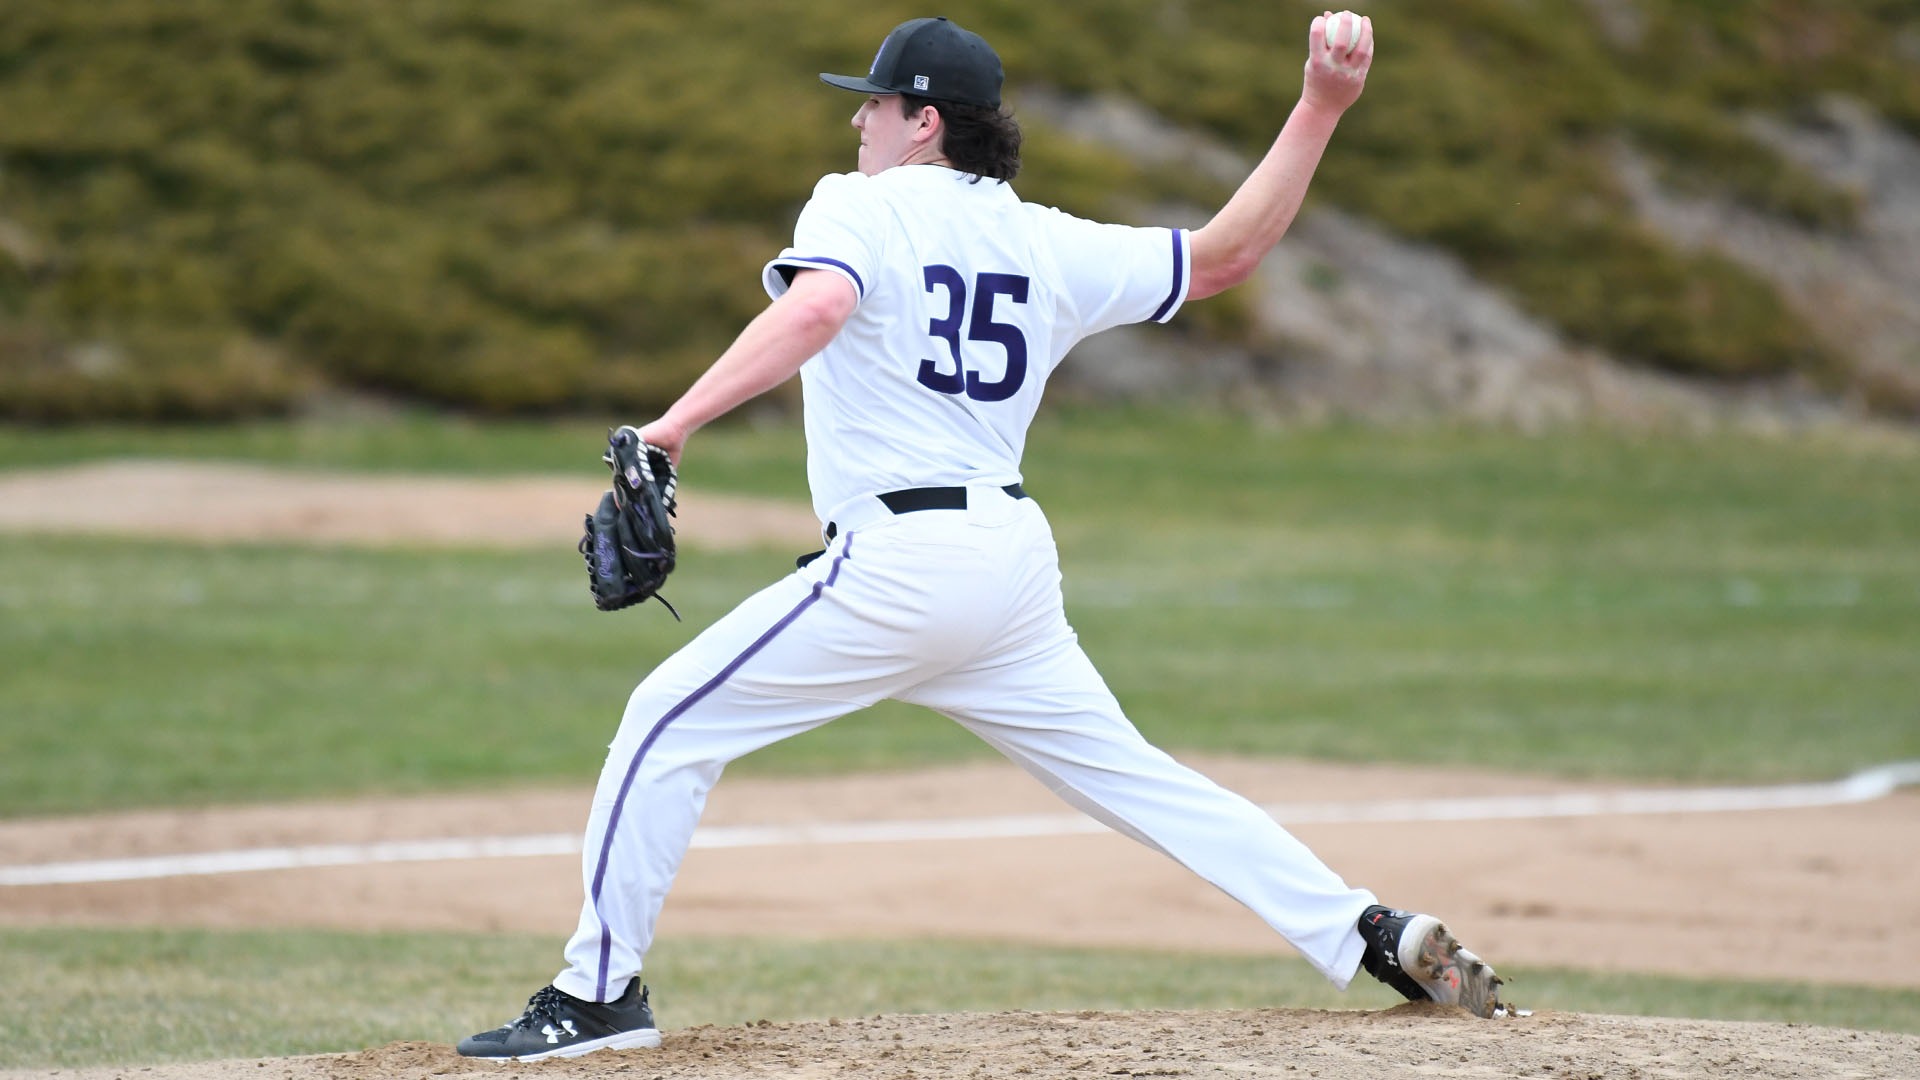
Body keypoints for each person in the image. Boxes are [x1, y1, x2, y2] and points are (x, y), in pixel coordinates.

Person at [457, 10, 1504, 1062]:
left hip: (901, 568)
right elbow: (1224, 258)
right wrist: (1321, 106)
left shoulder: (858, 205)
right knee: (1136, 778)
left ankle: (597, 997)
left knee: (664, 723)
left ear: (924, 122)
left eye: (873, 103)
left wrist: (674, 425)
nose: (858, 122)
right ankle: (1367, 929)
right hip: (1006, 568)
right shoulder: (1043, 237)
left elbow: (818, 309)